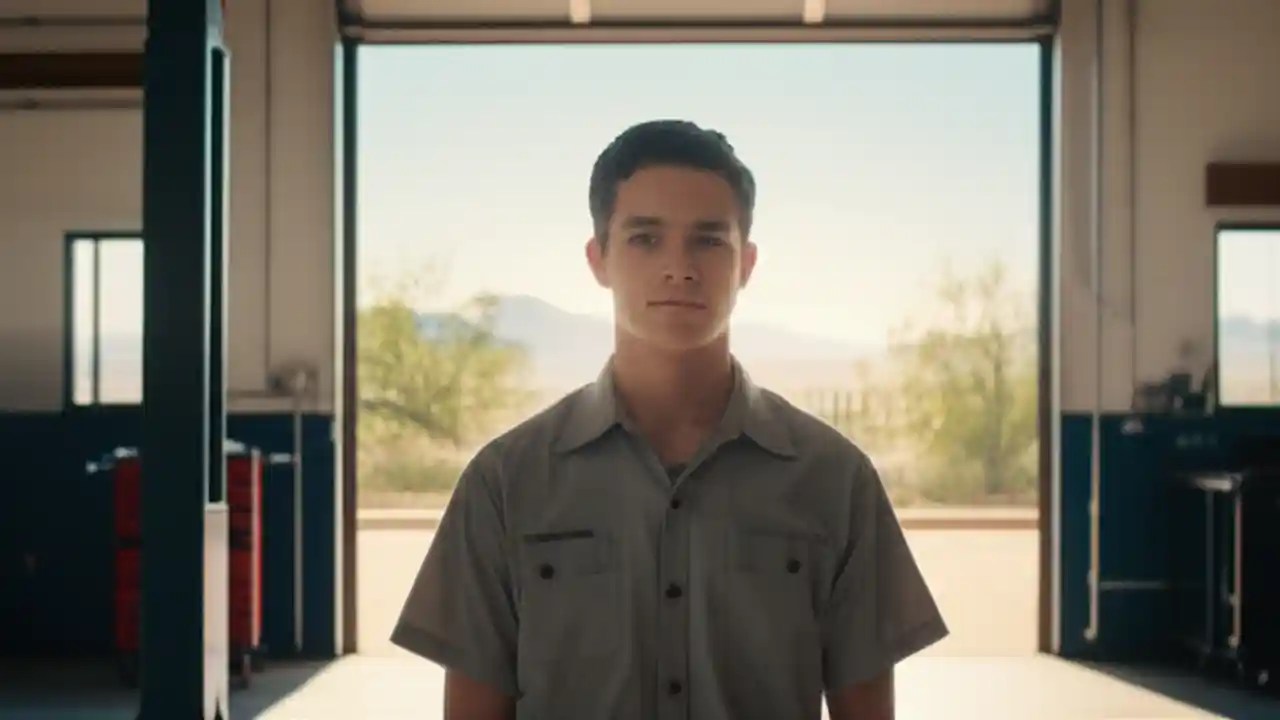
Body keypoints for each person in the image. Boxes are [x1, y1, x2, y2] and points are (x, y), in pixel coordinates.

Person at [391, 119, 948, 719]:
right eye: (645, 239)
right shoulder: (504, 483)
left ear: (747, 263)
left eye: (709, 240)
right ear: (598, 258)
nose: (679, 267)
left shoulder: (835, 480)